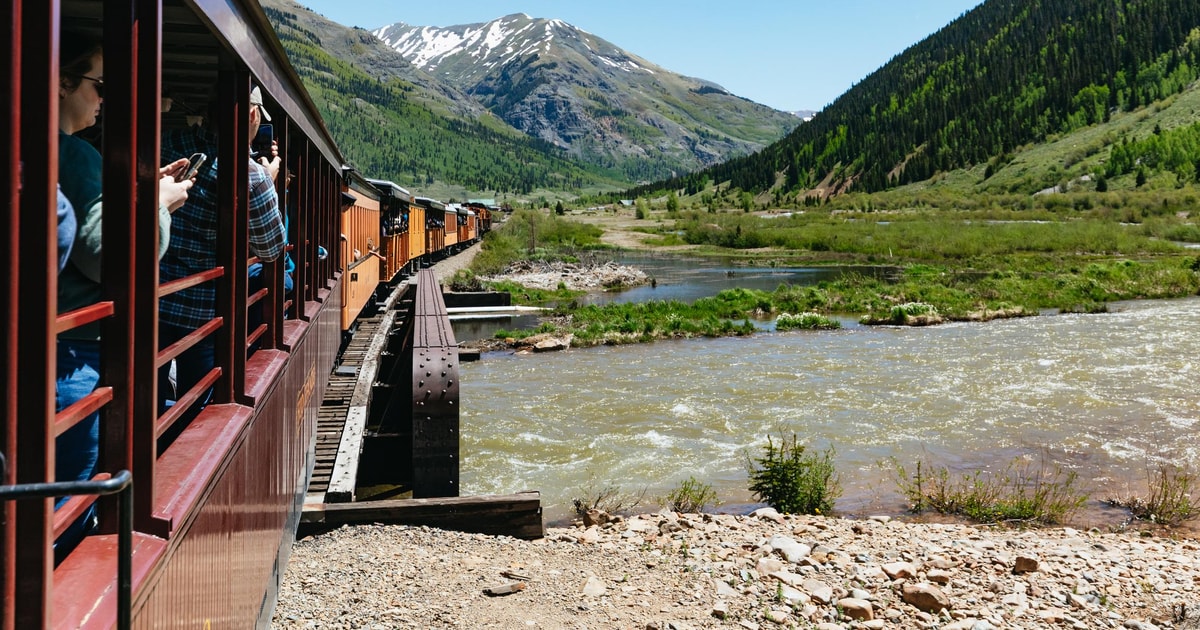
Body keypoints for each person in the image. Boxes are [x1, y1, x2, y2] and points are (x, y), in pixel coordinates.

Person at [55, 33, 193, 558]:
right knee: (68, 498)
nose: (103, 99)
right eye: (99, 85)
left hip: (55, 351)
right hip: (73, 356)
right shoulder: (73, 154)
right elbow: (112, 256)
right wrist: (159, 205)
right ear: (62, 82)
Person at [158, 86, 286, 420]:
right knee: (195, 408)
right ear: (253, 114)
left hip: (147, 301)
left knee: (143, 401)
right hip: (200, 312)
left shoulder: (166, 143)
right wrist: (269, 181)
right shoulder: (252, 174)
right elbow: (271, 248)